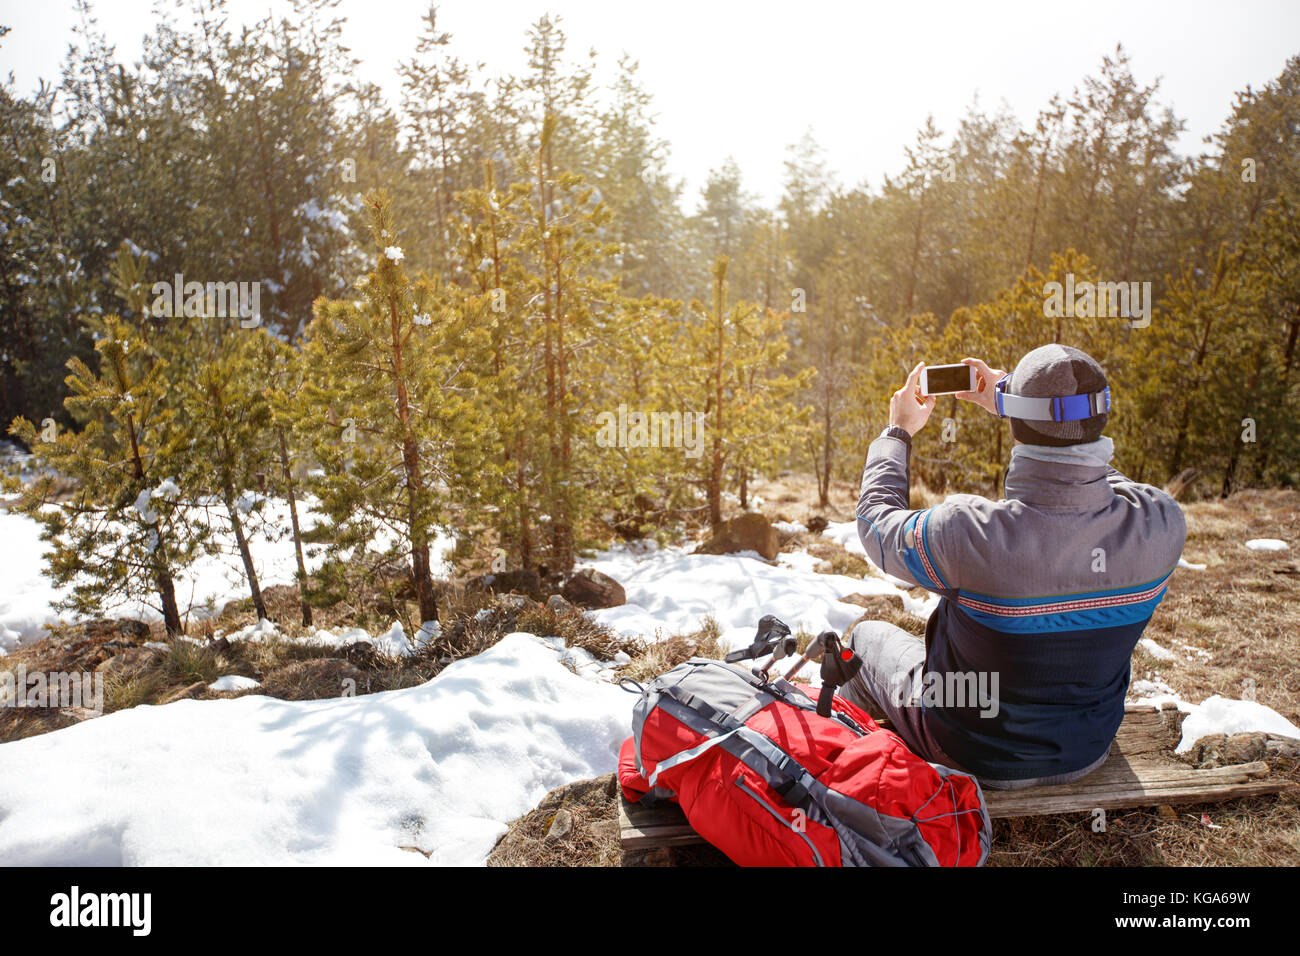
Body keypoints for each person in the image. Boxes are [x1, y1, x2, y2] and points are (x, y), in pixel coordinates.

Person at [840, 344, 1186, 790]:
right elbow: (1094, 475)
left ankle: (846, 768)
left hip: (970, 750)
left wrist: (898, 432)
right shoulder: (1161, 521)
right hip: (1088, 748)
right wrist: (1012, 399)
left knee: (868, 640)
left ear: (1017, 424)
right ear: (1102, 419)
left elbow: (876, 524)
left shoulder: (967, 533)